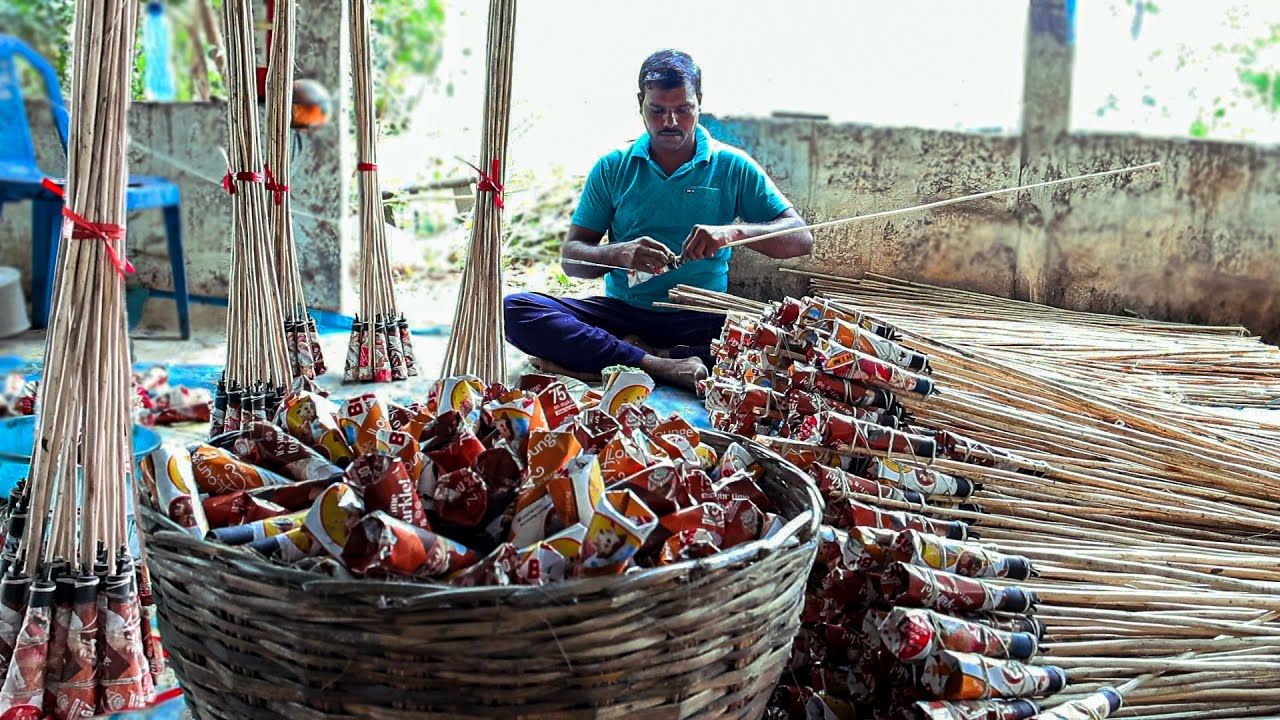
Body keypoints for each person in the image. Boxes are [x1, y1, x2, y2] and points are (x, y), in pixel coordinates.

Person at [504, 49, 812, 389]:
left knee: (779, 347)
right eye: (658, 110)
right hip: (623, 314)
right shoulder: (613, 167)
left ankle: (634, 357)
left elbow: (801, 239)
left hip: (701, 317)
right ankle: (659, 363)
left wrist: (732, 232)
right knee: (515, 309)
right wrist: (618, 254)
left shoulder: (731, 165)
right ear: (640, 103)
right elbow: (572, 260)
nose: (670, 122)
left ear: (699, 103)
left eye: (683, 110)